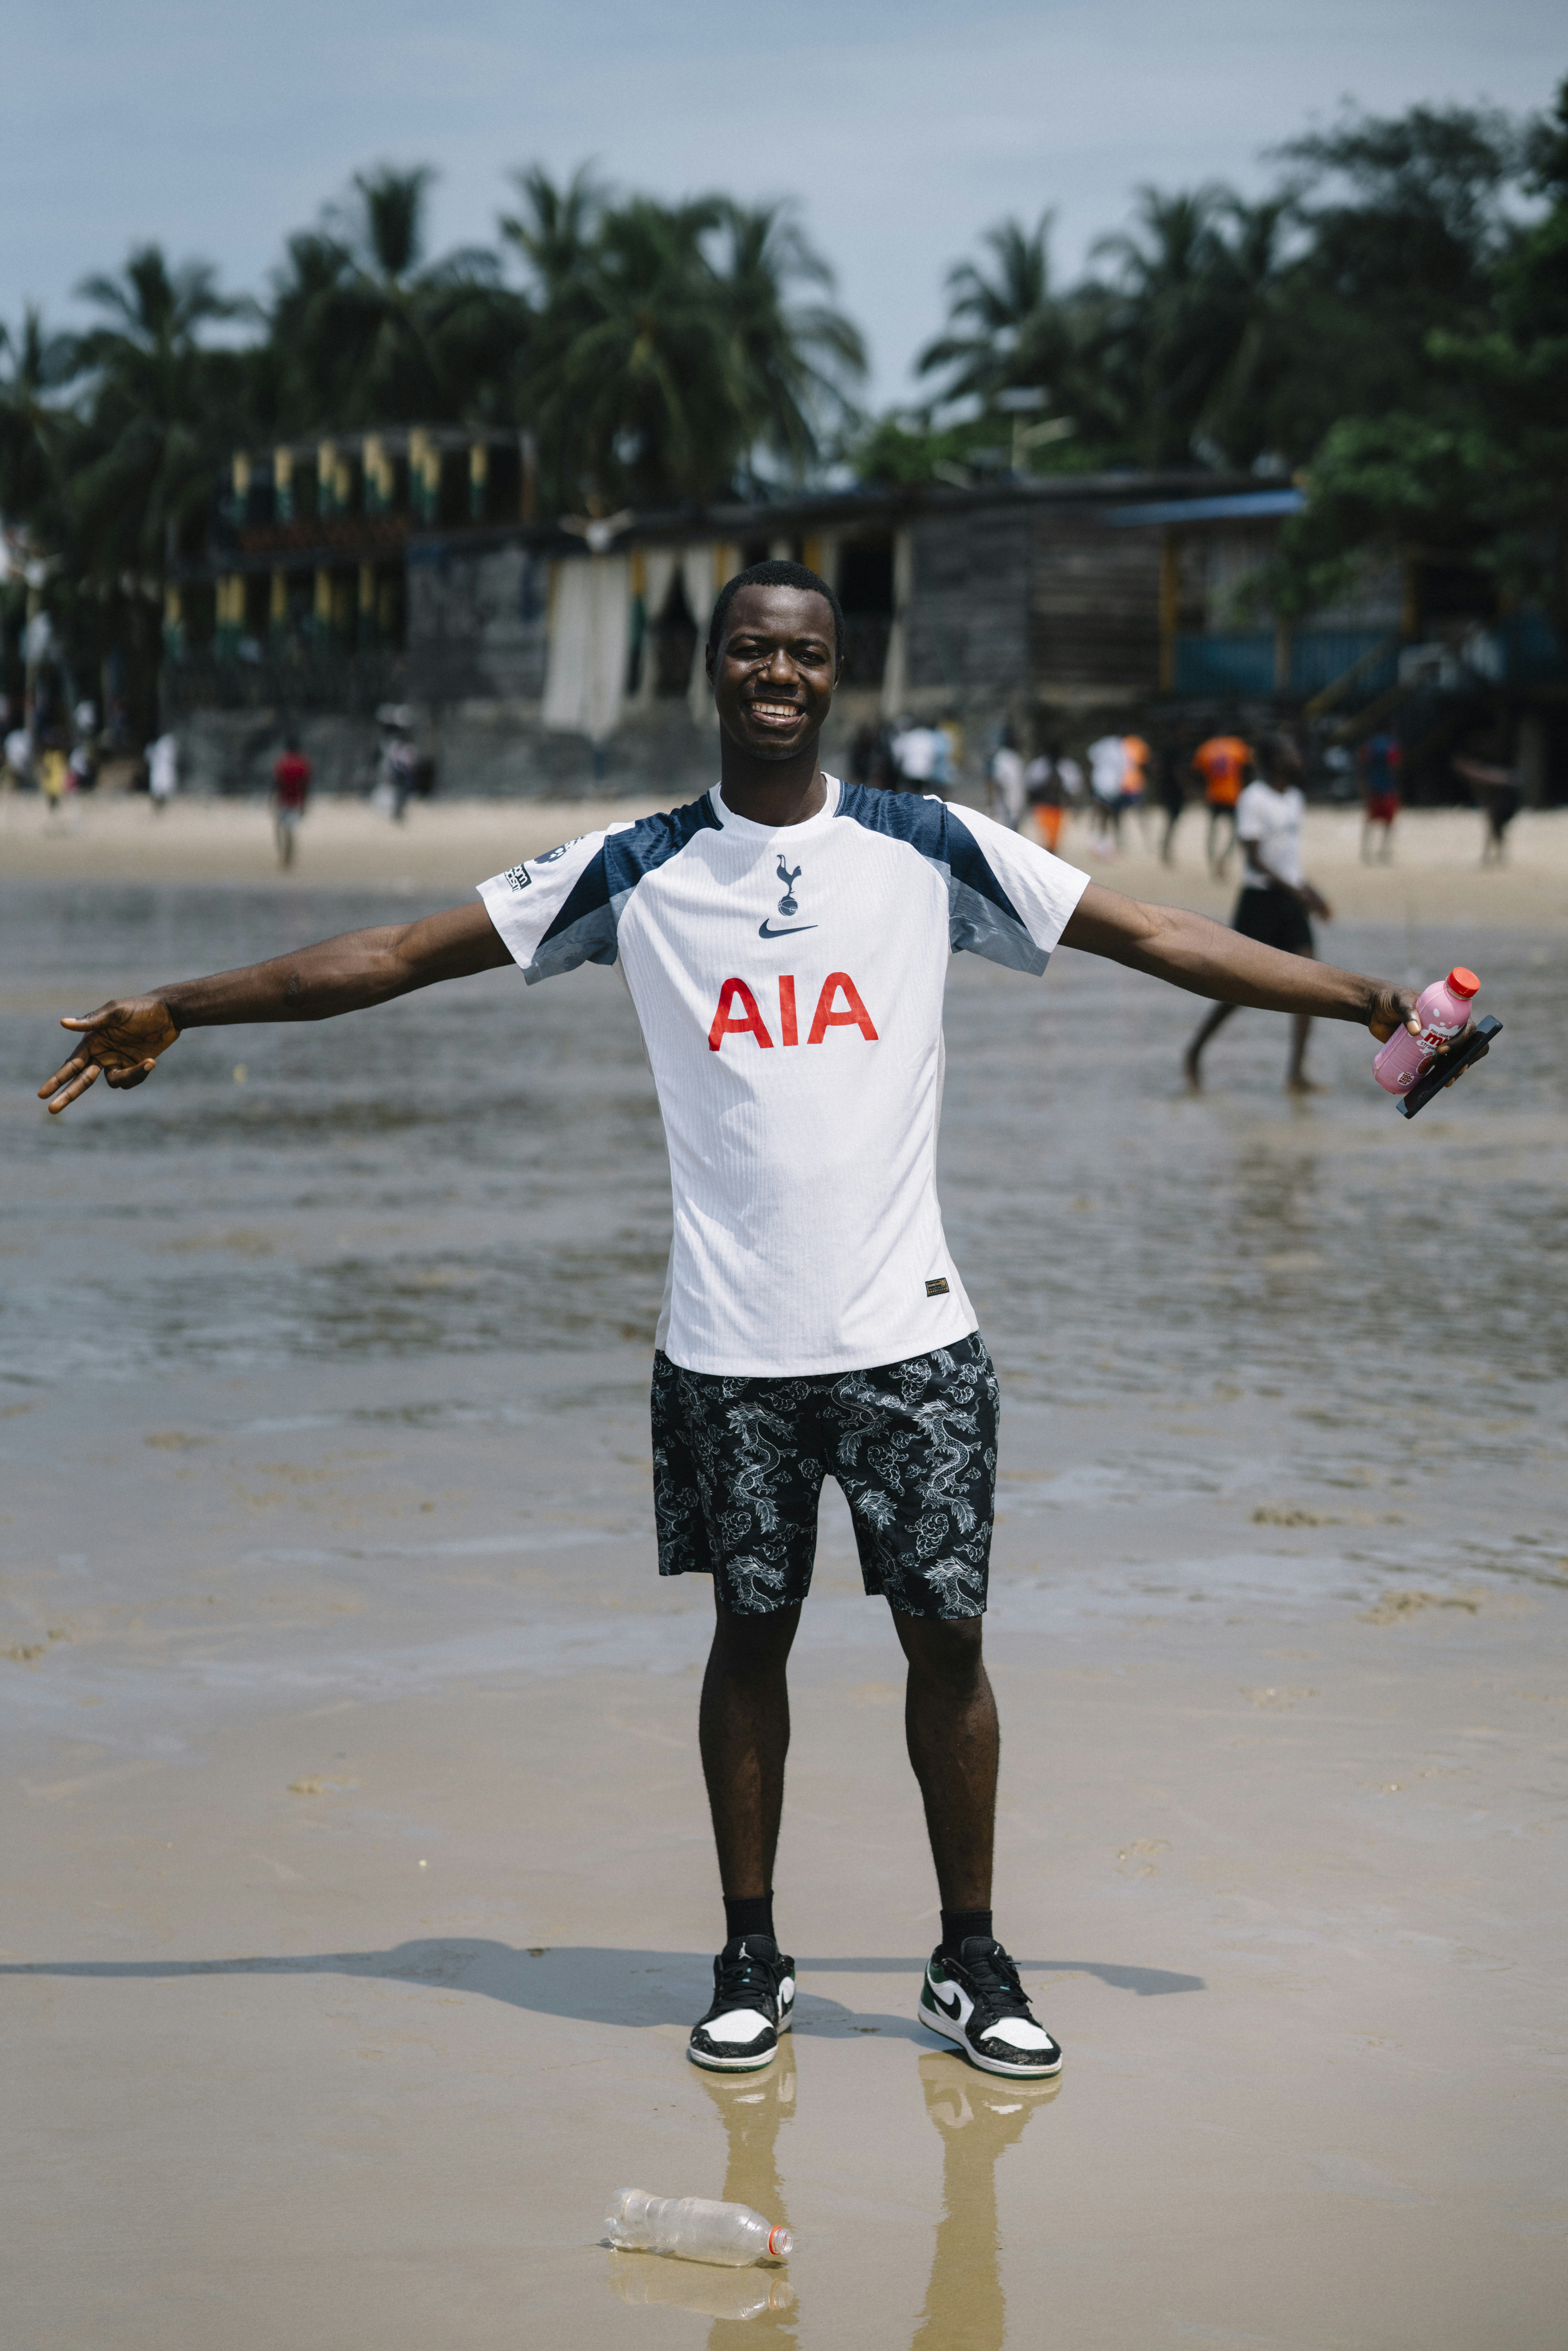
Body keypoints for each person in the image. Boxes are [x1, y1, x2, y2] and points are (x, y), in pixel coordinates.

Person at [39, 559, 1444, 2088]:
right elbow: (389, 959)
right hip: (726, 1347)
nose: (777, 673)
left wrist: (1351, 993)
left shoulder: (923, 844)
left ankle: (967, 1958)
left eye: (804, 652)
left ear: (837, 676)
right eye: (749, 649)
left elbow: (1159, 934)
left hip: (910, 1332)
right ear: (710, 670)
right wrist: (184, 1004)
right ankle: (748, 1957)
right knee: (746, 1641)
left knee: (948, 1644)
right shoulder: (634, 869)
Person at [1183, 734, 1331, 1094]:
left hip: (1292, 901)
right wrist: (1298, 892)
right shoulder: (1252, 798)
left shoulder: (1294, 798)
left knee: (1309, 985)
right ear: (1273, 759)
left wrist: (1312, 892)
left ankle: (1296, 1073)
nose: (1296, 756)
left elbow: (1289, 859)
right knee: (1240, 989)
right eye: (1289, 750)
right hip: (1259, 902)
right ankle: (1196, 1050)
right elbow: (1254, 856)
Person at [1192, 727, 1251, 877]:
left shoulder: (1207, 747)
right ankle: (1224, 860)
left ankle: (1212, 862)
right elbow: (1248, 767)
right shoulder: (1237, 745)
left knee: (1213, 831)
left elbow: (1197, 771)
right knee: (1236, 832)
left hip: (1214, 795)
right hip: (1233, 795)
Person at [1454, 752, 1522, 866]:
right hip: (1501, 799)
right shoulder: (1481, 774)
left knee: (1495, 828)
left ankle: (1494, 856)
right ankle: (1494, 856)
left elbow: (1500, 780)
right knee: (1494, 828)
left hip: (1505, 800)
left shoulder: (1481, 775)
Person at [1358, 730, 1402, 863]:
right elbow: (1395, 766)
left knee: (1370, 822)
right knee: (1388, 823)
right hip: (1387, 789)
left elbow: (1363, 765)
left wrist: (1364, 784)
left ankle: (1366, 851)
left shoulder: (1370, 746)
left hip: (1374, 789)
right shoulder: (1391, 746)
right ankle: (1384, 852)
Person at [272, 735, 312, 869]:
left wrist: (273, 797)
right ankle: (289, 857)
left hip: (283, 799)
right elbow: (306, 785)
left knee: (279, 828)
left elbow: (277, 782)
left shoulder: (282, 762)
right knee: (291, 830)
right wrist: (305, 802)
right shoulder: (303, 763)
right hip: (297, 800)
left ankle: (283, 854)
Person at [1085, 732, 1125, 852]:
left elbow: (1091, 754)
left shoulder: (1103, 744)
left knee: (1101, 814)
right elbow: (1124, 766)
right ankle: (1114, 843)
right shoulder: (1121, 748)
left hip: (1100, 783)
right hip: (1113, 786)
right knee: (1113, 815)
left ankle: (1100, 840)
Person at [1024, 747, 1066, 854]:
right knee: (1044, 836)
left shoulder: (1066, 767)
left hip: (1057, 807)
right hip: (1043, 806)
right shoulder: (1040, 766)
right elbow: (1032, 786)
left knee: (1054, 839)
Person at [1156, 734, 1189, 866]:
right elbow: (1179, 772)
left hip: (1166, 789)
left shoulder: (1165, 749)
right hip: (1175, 791)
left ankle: (1165, 848)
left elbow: (1157, 767)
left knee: (1170, 821)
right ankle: (1166, 849)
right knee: (1172, 821)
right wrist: (1187, 788)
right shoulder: (1178, 750)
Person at [1119, 731, 1151, 849]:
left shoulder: (1119, 744)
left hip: (1121, 784)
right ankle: (1147, 841)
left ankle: (1121, 842)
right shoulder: (1139, 744)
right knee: (1140, 814)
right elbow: (1146, 763)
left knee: (1121, 815)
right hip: (1136, 784)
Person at [987, 735, 1026, 831]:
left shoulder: (1008, 758)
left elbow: (998, 781)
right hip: (1011, 804)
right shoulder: (1010, 758)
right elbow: (998, 782)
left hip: (1011, 804)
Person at [147, 732, 178, 812]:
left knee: (165, 786)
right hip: (159, 769)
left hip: (165, 769)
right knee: (159, 787)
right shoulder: (159, 745)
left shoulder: (166, 744)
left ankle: (162, 805)